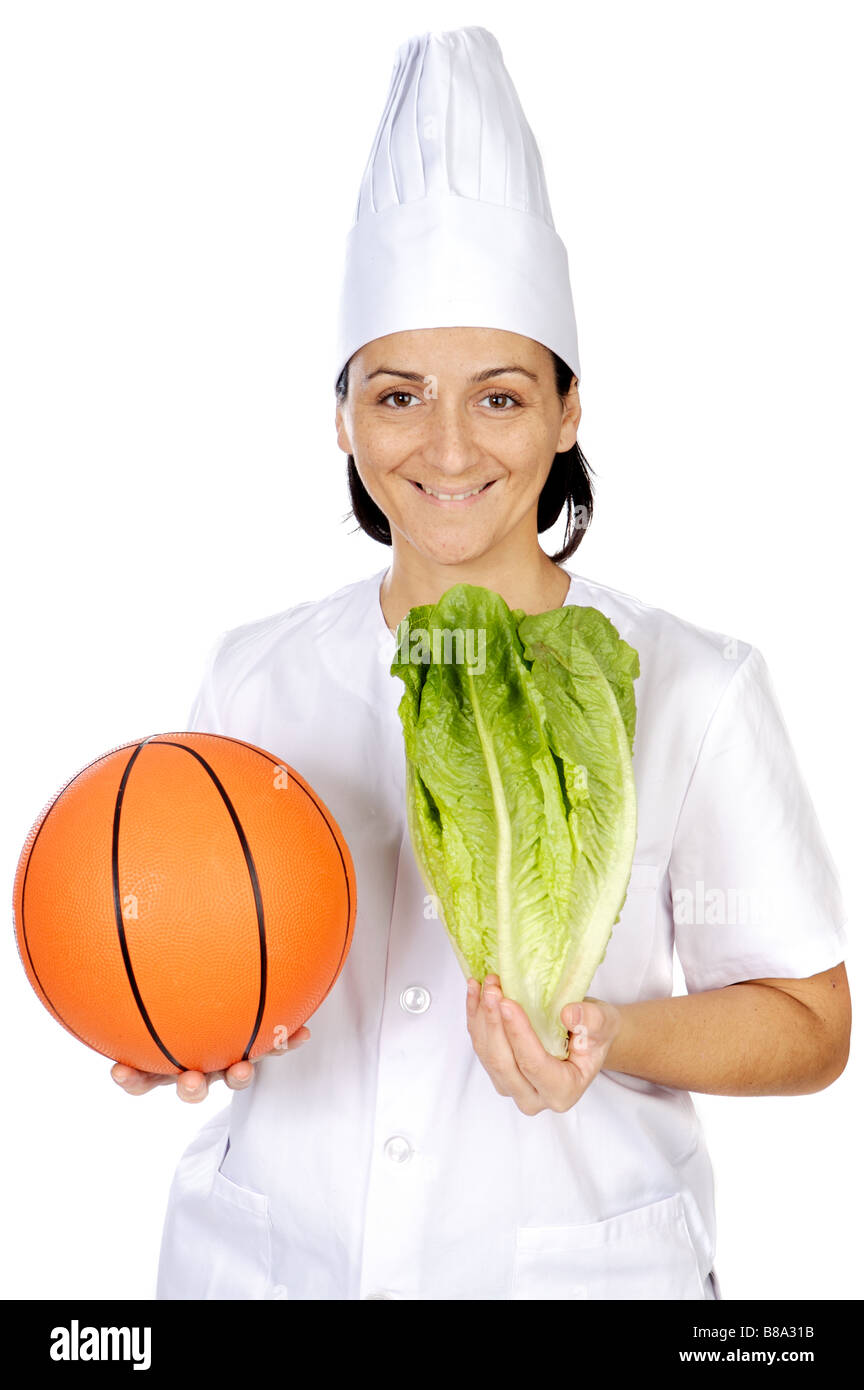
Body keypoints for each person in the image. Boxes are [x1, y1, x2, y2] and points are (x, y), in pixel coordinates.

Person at [111, 27, 850, 1301]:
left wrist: (611, 1035)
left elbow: (812, 1022)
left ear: (570, 409)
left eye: (500, 395)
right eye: (397, 395)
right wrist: (172, 1014)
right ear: (341, 414)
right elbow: (207, 929)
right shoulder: (252, 679)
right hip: (261, 1268)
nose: (447, 448)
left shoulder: (691, 681)